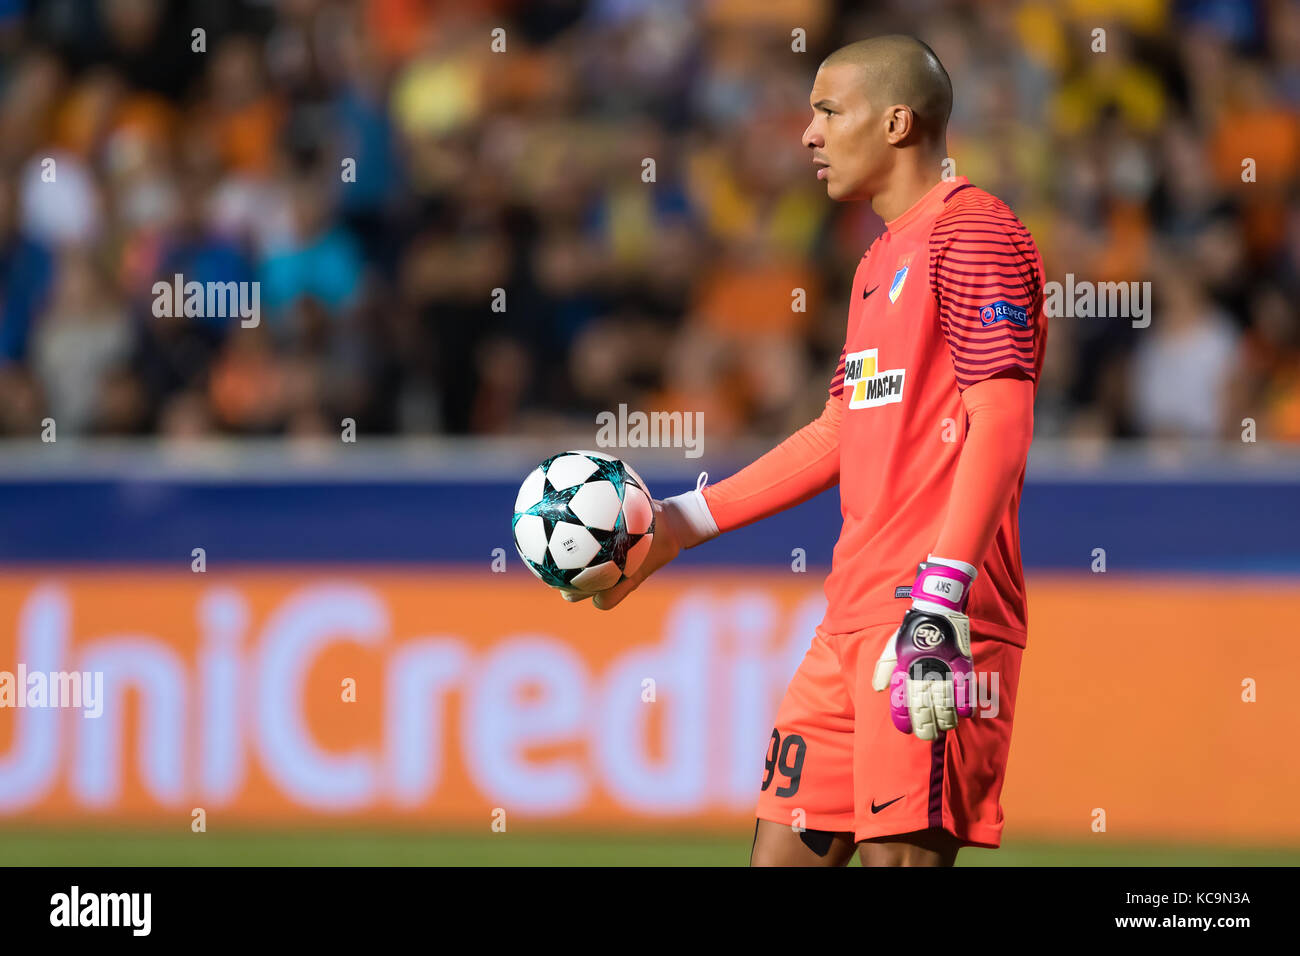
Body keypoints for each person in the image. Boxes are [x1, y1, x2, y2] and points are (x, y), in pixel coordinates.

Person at [567, 35, 1047, 867]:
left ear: (897, 122)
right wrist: (682, 521)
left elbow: (1000, 423)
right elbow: (837, 432)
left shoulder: (974, 232)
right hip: (847, 621)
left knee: (899, 861)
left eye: (829, 110)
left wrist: (939, 603)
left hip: (938, 616)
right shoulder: (874, 264)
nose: (808, 134)